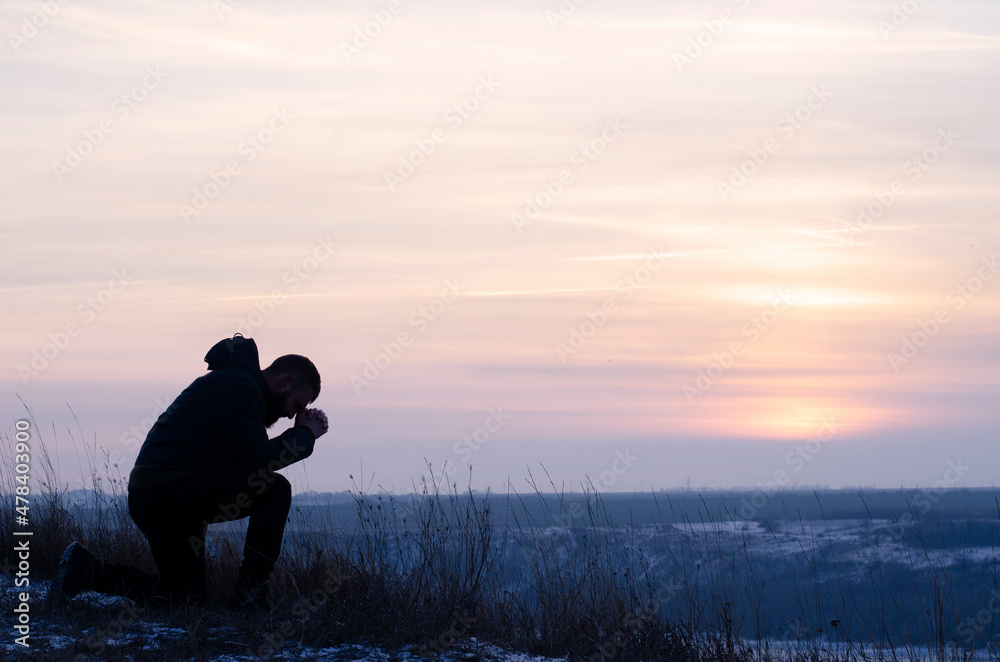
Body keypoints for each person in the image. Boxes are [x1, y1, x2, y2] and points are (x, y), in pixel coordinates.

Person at [51, 334, 329, 608]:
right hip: (172, 489)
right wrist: (304, 435)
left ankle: (85, 570)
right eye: (296, 405)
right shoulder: (237, 386)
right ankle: (250, 597)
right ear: (285, 381)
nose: (292, 414)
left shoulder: (235, 384)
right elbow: (258, 459)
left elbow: (249, 443)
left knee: (184, 598)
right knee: (274, 490)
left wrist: (300, 431)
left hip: (157, 492)